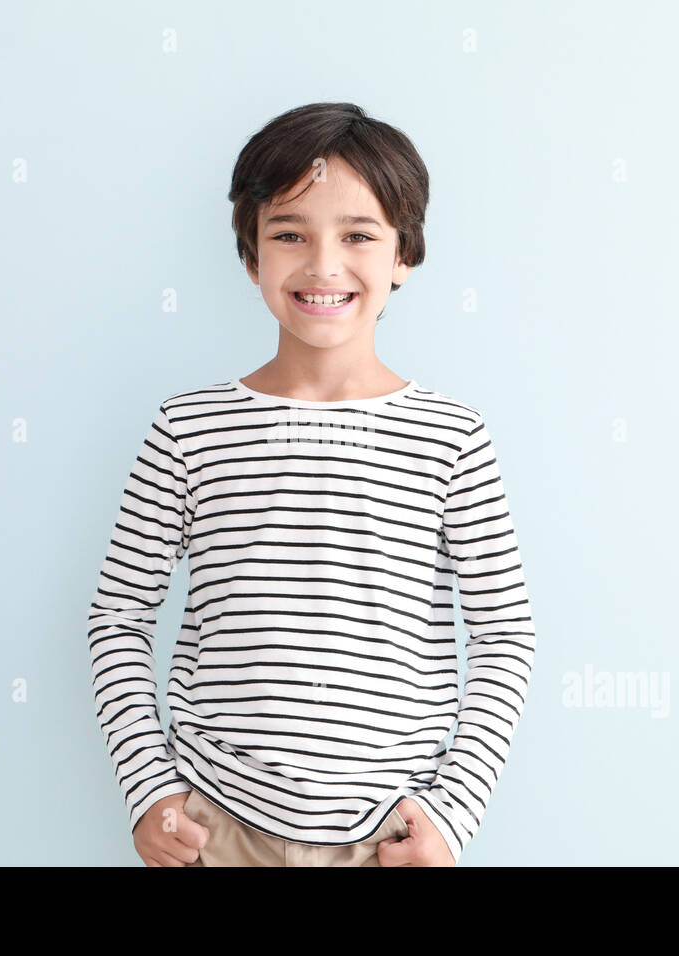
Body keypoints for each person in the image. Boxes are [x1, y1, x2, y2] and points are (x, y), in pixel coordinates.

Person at [88, 102, 536, 866]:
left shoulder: (453, 439)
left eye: (358, 235)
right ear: (250, 252)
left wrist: (452, 814)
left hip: (390, 839)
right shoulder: (186, 430)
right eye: (289, 233)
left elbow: (504, 636)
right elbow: (119, 619)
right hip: (216, 826)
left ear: (404, 254)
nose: (324, 265)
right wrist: (153, 794)